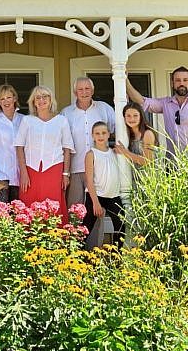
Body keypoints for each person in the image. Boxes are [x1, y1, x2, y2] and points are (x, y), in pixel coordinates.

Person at [127, 66, 188, 155]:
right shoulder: (166, 104)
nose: (181, 83)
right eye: (178, 80)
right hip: (172, 165)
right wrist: (124, 80)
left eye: (185, 80)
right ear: (172, 83)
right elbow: (142, 102)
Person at [14, 85, 74, 221]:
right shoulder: (27, 120)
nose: (42, 100)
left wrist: (65, 174)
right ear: (33, 102)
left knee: (53, 206)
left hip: (54, 169)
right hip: (30, 170)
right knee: (28, 206)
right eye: (38, 97)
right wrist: (23, 172)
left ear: (51, 99)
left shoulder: (61, 121)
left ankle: (54, 240)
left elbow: (67, 148)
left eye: (45, 96)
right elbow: (19, 146)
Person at [61, 77, 116, 209]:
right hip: (76, 167)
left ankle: (96, 231)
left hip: (100, 168)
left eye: (87, 89)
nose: (84, 92)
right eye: (80, 89)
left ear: (92, 91)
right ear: (75, 92)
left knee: (96, 209)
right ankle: (74, 231)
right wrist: (65, 172)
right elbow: (63, 144)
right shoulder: (66, 113)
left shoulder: (104, 109)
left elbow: (117, 132)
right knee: (74, 208)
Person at [84, 121, 124, 249]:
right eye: (97, 133)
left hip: (113, 196)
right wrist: (95, 203)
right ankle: (76, 253)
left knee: (121, 226)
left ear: (108, 135)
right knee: (86, 227)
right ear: (93, 136)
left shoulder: (114, 153)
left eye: (103, 133)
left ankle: (117, 257)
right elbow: (89, 180)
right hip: (96, 196)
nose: (100, 136)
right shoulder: (91, 154)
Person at [0, 84, 24, 203]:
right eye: (2, 99)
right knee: (2, 213)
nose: (6, 101)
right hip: (1, 174)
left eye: (9, 97)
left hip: (20, 175)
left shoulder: (23, 120)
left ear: (15, 98)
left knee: (18, 212)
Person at [115, 102, 158, 167]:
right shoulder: (128, 134)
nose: (132, 119)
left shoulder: (147, 133)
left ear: (141, 116)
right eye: (128, 116)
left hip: (149, 176)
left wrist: (125, 152)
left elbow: (147, 161)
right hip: (134, 176)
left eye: (135, 115)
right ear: (124, 117)